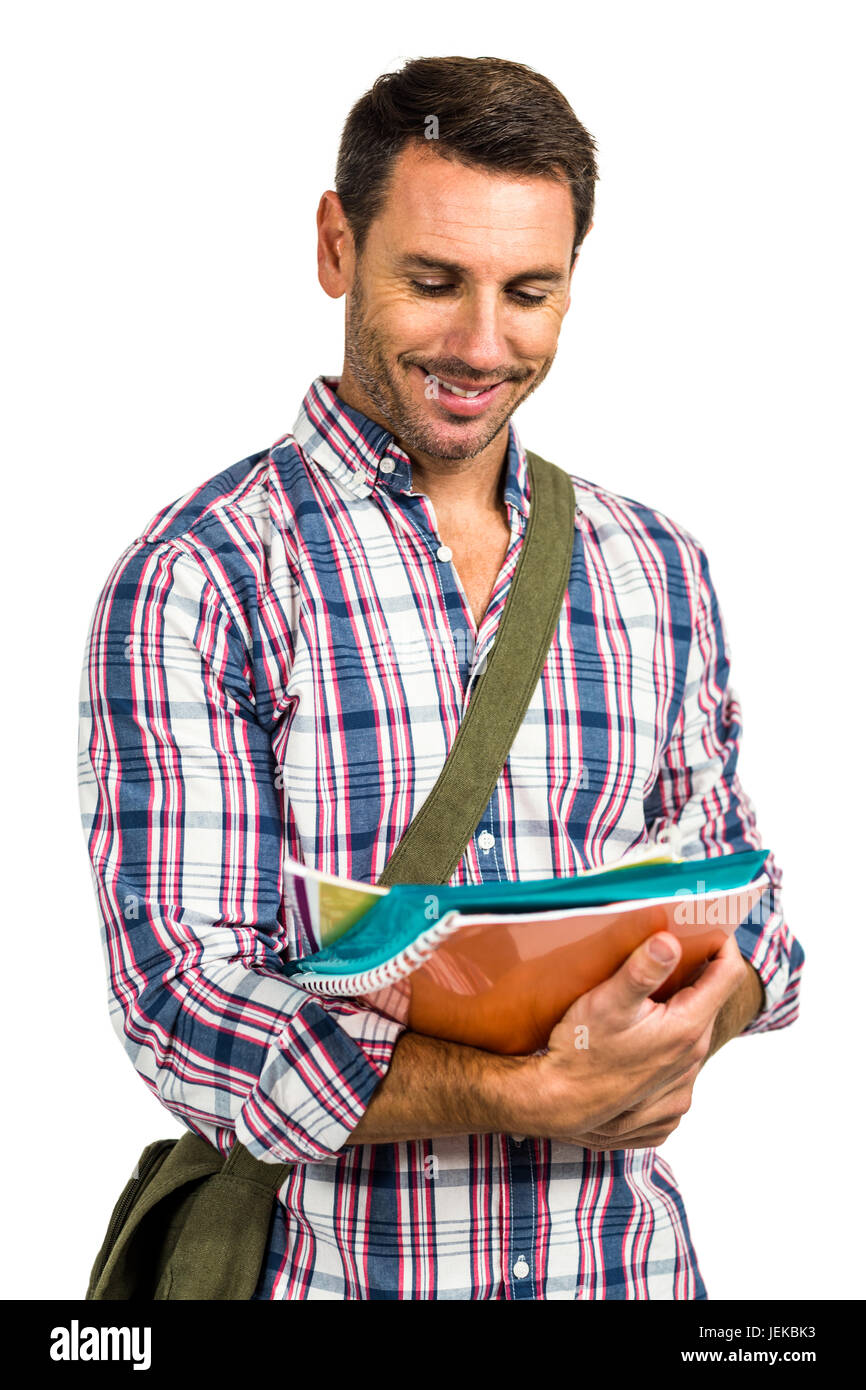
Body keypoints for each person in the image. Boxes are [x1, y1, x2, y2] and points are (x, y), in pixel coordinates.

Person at [76, 54, 804, 1301]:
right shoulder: (201, 575)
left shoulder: (656, 567)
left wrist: (705, 1011)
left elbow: (754, 916)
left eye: (529, 291)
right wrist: (526, 1090)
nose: (481, 343)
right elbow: (183, 1007)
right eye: (432, 281)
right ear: (334, 245)